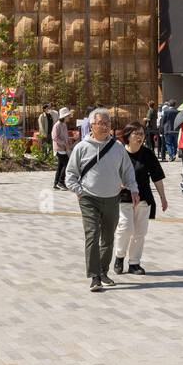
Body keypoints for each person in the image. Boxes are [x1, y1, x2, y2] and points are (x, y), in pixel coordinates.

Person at [66, 107, 138, 292]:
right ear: (92, 125)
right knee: (92, 235)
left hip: (112, 198)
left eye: (108, 123)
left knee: (108, 237)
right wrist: (79, 191)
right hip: (88, 198)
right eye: (101, 123)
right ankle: (94, 276)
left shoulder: (117, 147)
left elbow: (128, 170)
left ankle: (104, 271)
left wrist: (134, 189)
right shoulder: (82, 147)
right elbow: (70, 174)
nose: (105, 127)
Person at [113, 122, 168, 276]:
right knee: (125, 228)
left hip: (144, 198)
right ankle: (119, 257)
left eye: (142, 134)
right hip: (123, 197)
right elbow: (109, 174)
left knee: (140, 232)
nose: (140, 137)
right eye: (136, 133)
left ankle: (134, 263)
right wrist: (119, 183)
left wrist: (163, 197)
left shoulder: (147, 154)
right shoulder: (118, 153)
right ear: (127, 136)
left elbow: (157, 177)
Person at [51, 107, 73, 189]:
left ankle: (56, 183)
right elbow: (55, 137)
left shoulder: (64, 125)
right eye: (68, 116)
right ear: (64, 116)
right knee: (67, 164)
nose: (69, 117)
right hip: (59, 149)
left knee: (60, 166)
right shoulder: (57, 125)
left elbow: (65, 137)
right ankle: (61, 182)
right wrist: (64, 143)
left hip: (64, 149)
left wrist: (68, 142)